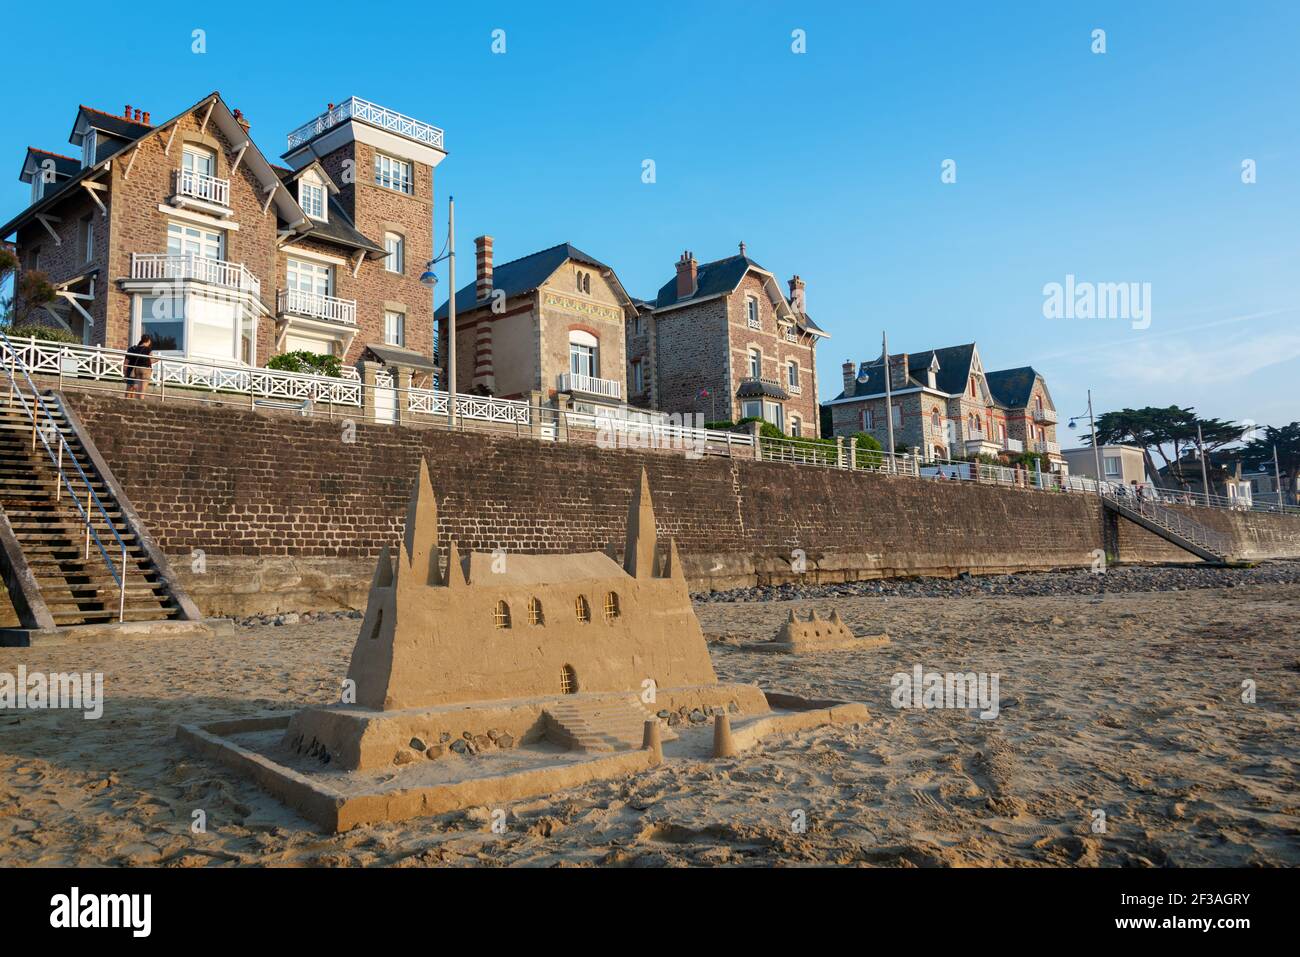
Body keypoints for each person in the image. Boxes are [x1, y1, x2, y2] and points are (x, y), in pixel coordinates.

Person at [124, 334, 154, 399]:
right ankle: (140, 401)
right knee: (142, 389)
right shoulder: (148, 349)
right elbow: (150, 361)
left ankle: (127, 400)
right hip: (145, 369)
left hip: (134, 370)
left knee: (131, 388)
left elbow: (126, 362)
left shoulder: (133, 349)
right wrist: (158, 359)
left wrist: (125, 373)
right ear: (149, 341)